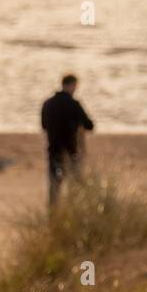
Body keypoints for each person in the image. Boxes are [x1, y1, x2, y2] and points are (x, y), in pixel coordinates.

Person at [40, 74, 94, 205]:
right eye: (75, 86)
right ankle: (73, 214)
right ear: (71, 85)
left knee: (54, 188)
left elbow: (44, 126)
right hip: (71, 152)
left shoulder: (48, 104)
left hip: (53, 150)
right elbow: (89, 125)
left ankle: (53, 218)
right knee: (75, 187)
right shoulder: (74, 104)